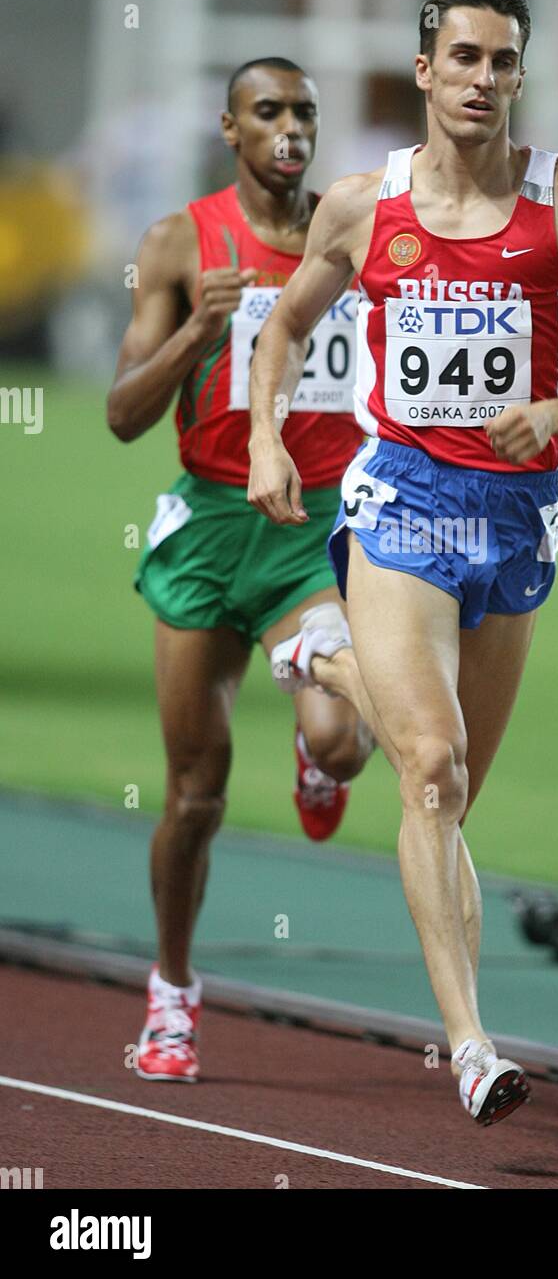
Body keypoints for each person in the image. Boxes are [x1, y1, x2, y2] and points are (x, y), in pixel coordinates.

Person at [247, 0, 558, 1125]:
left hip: (516, 519)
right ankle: (472, 1044)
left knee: (452, 795)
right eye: (462, 57)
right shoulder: (360, 206)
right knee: (430, 763)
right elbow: (282, 326)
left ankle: (319, 663)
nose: (482, 78)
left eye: (503, 61)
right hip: (400, 500)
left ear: (521, 77)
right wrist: (272, 440)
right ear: (424, 72)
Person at [107, 58, 373, 1082]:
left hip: (312, 523)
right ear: (231, 127)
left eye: (305, 111)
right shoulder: (180, 241)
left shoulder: (350, 227)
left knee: (344, 743)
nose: (292, 129)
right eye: (270, 112)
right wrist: (195, 331)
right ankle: (172, 995)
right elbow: (124, 416)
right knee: (195, 793)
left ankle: (315, 759)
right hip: (211, 528)